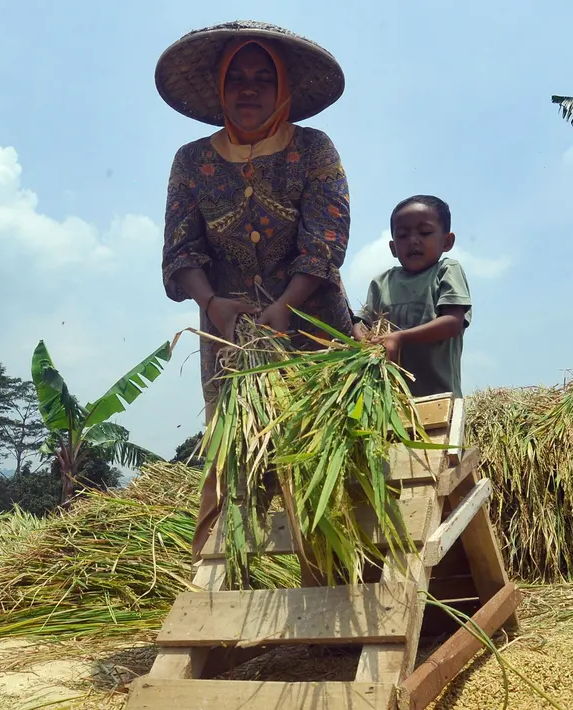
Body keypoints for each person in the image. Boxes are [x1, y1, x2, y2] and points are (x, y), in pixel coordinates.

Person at [155, 21, 355, 560]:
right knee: (238, 453)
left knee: (328, 443)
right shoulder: (191, 161)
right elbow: (181, 248)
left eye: (262, 78)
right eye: (237, 78)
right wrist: (212, 304)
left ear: (282, 87)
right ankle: (227, 574)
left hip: (314, 321)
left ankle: (351, 565)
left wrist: (288, 305)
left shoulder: (313, 149)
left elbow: (326, 235)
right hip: (231, 330)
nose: (248, 89)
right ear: (221, 88)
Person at [355, 195, 472, 398]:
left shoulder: (446, 270)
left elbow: (453, 322)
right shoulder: (381, 282)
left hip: (440, 397)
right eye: (402, 235)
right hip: (390, 402)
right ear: (393, 248)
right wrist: (367, 341)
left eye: (425, 232)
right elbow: (360, 323)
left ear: (447, 241)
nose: (413, 241)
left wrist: (400, 338)